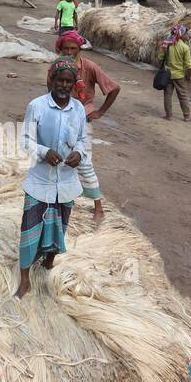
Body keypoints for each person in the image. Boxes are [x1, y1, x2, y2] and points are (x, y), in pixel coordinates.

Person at [16, 57, 88, 299]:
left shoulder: (78, 109)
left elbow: (82, 138)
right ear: (51, 80)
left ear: (74, 83)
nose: (64, 85)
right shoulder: (37, 106)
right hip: (40, 181)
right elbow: (25, 140)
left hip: (66, 181)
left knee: (59, 228)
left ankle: (48, 263)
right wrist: (44, 152)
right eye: (60, 80)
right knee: (29, 230)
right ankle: (25, 279)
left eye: (69, 81)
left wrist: (78, 152)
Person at [47, 30, 119, 223]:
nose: (69, 52)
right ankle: (66, 199)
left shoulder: (89, 67)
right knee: (60, 158)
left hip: (82, 120)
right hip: (61, 118)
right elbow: (50, 92)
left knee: (84, 162)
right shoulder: (56, 67)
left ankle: (98, 207)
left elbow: (114, 88)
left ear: (79, 49)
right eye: (66, 49)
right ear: (60, 49)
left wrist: (100, 112)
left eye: (73, 48)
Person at [158, 24, 191, 121]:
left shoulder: (166, 44)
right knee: (182, 96)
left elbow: (160, 58)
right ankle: (187, 116)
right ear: (181, 34)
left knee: (167, 95)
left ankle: (168, 116)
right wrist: (189, 77)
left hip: (167, 74)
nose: (187, 36)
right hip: (179, 76)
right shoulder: (185, 47)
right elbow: (188, 66)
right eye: (185, 34)